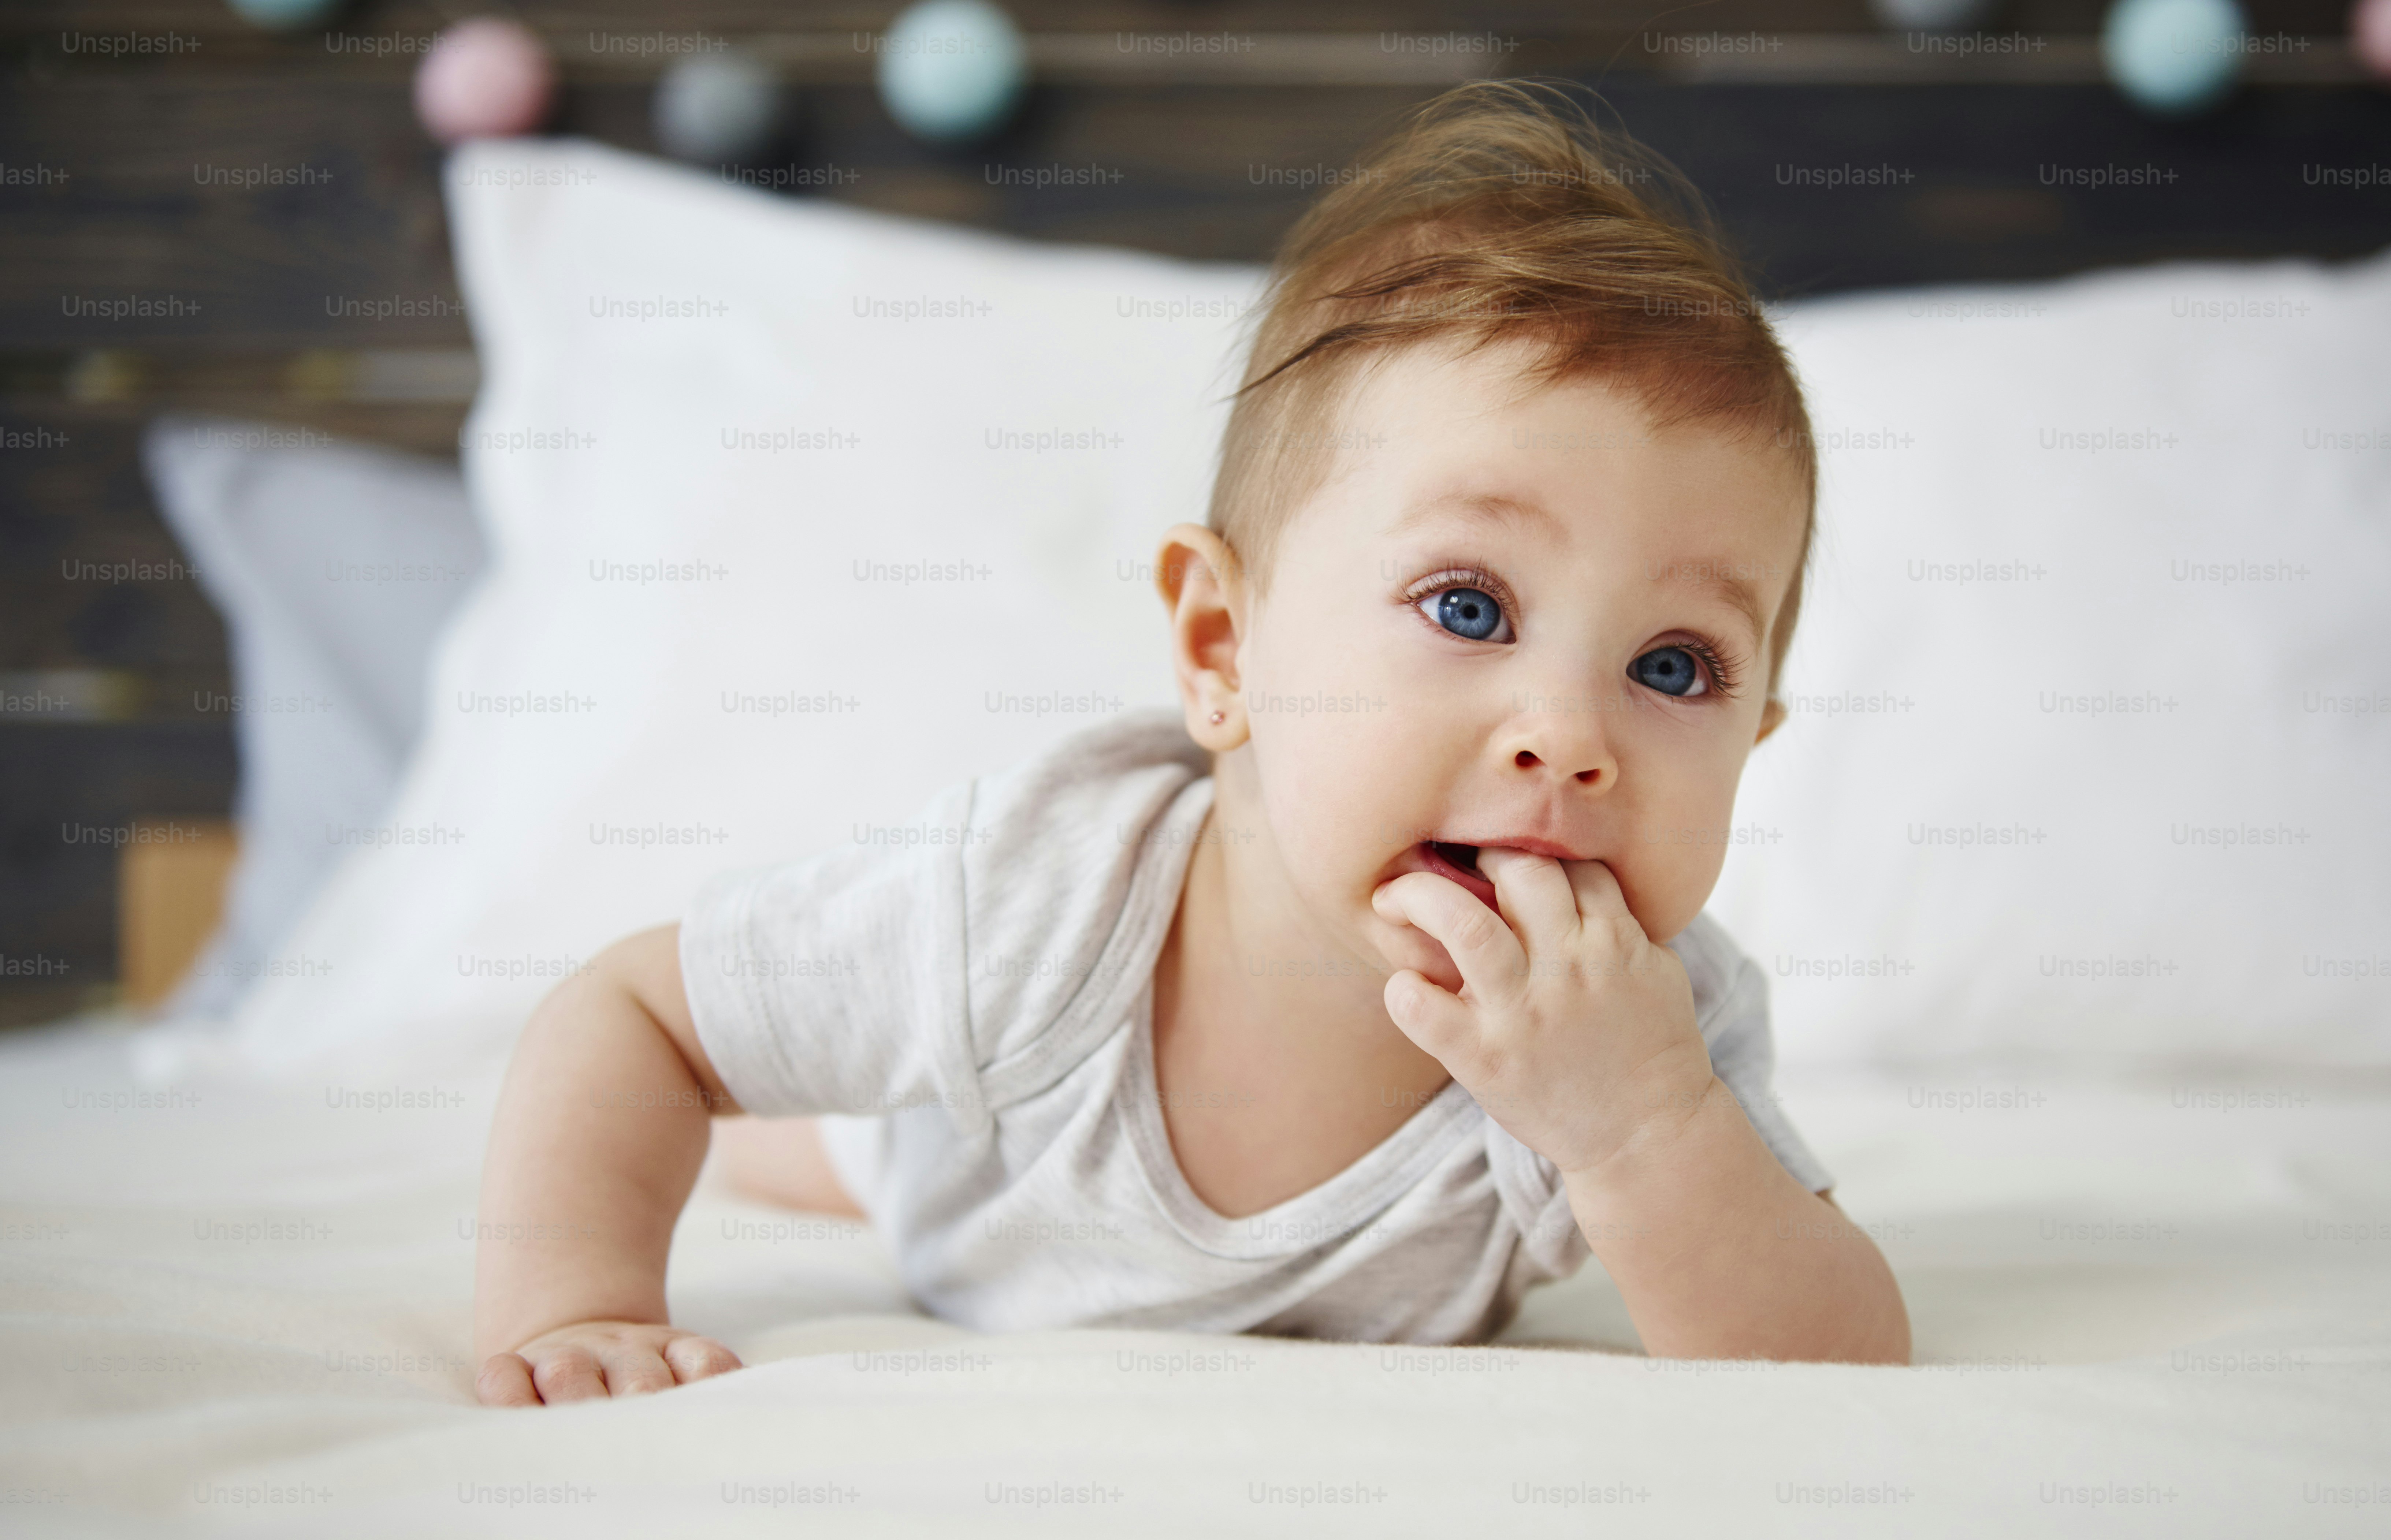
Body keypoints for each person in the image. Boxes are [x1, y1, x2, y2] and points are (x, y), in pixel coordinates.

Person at [472, 79, 1910, 1406]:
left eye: (1674, 665)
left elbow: (1840, 1367)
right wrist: (574, 1305)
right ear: (1223, 652)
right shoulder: (1029, 904)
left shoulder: (1650, 1035)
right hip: (973, 1163)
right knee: (830, 1133)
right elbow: (636, 1017)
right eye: (1467, 605)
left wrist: (1641, 1130)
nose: (1567, 736)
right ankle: (831, 1140)